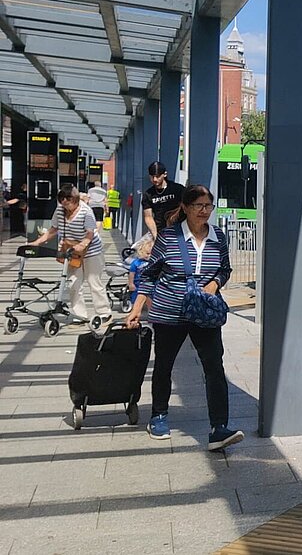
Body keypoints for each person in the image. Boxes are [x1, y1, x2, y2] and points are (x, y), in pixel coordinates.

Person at [126, 184, 242, 451]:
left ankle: (219, 428)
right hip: (170, 312)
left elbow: (225, 268)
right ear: (187, 208)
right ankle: (158, 416)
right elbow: (150, 274)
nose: (204, 211)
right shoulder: (168, 237)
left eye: (208, 206)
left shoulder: (219, 237)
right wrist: (136, 308)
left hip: (203, 312)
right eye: (199, 206)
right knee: (165, 365)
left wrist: (214, 284)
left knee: (214, 367)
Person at [29, 184, 111, 323]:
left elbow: (90, 233)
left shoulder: (86, 211)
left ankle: (104, 312)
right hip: (71, 250)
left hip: (92, 250)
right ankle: (80, 314)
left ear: (76, 198)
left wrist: (82, 244)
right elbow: (53, 230)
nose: (65, 203)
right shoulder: (60, 210)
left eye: (68, 199)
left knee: (94, 281)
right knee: (74, 283)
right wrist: (36, 243)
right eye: (62, 199)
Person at [142, 161, 186, 239]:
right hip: (161, 231)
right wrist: (155, 235)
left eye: (158, 176)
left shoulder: (177, 189)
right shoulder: (148, 194)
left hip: (180, 229)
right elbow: (148, 216)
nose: (155, 179)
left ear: (164, 174)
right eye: (152, 177)